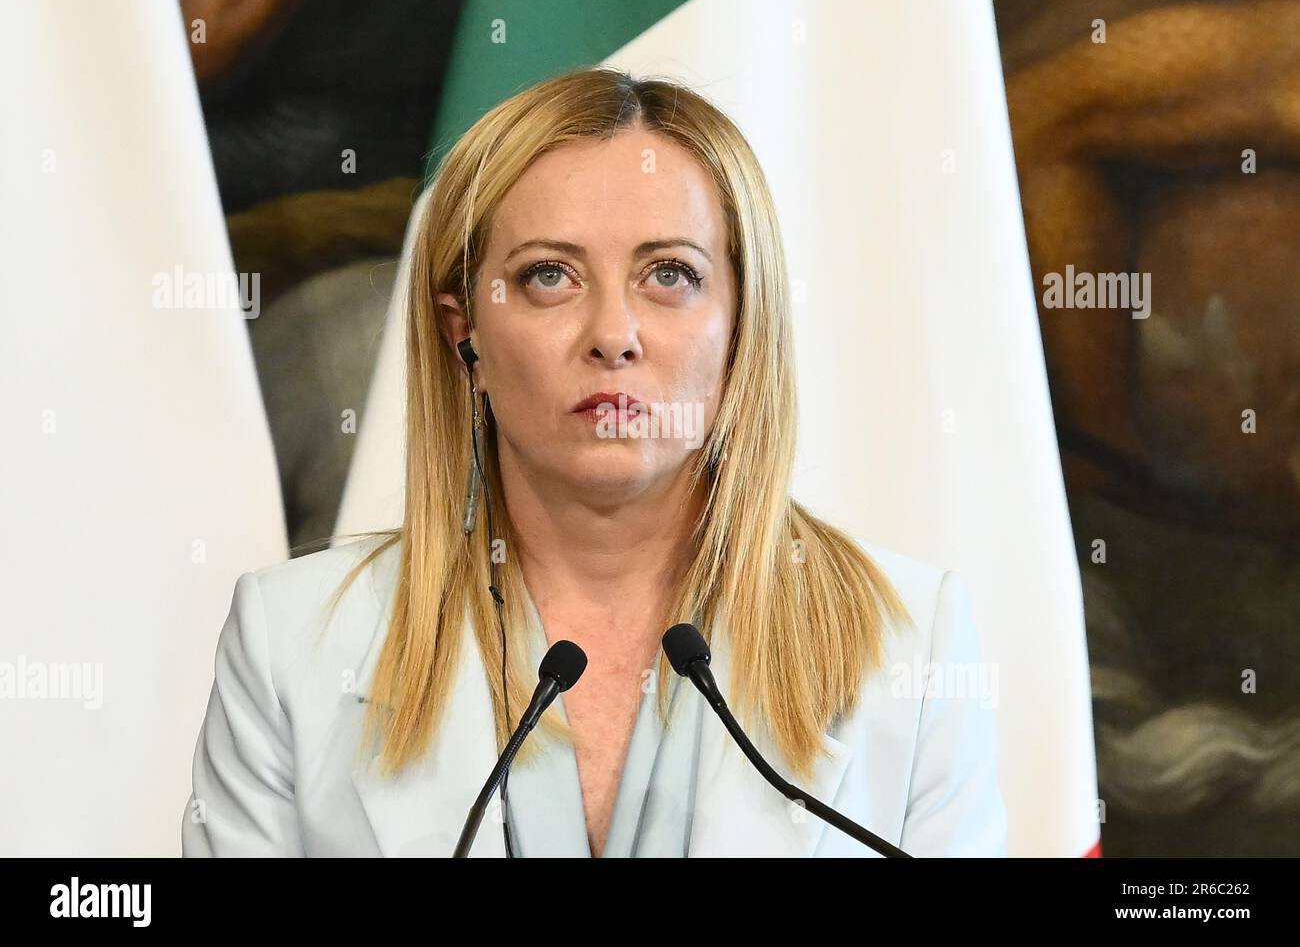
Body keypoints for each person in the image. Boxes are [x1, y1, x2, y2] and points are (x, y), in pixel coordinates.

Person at [181, 66, 1008, 858]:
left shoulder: (912, 645)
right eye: (549, 276)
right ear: (462, 333)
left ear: (744, 325)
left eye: (670, 274)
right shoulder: (287, 642)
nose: (613, 334)